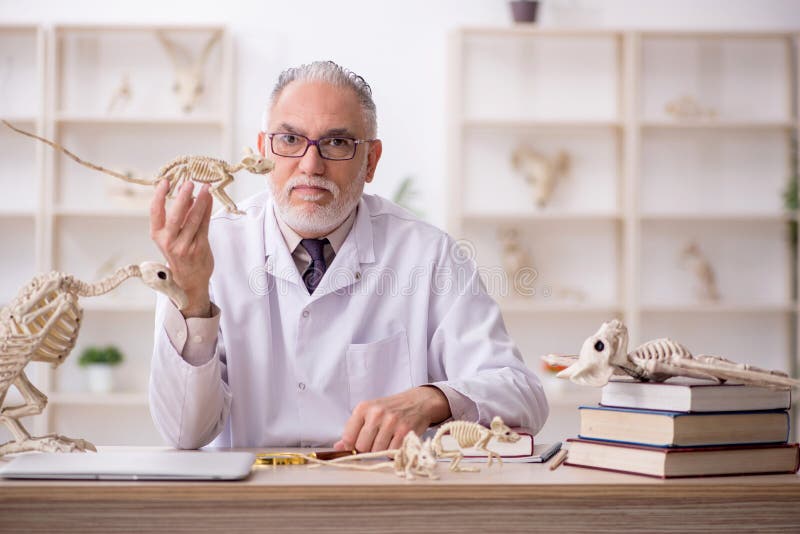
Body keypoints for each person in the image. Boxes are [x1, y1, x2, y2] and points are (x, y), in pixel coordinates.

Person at [148, 61, 548, 452]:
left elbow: (523, 396)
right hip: (252, 506)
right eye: (289, 140)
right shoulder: (207, 251)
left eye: (336, 143)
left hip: (380, 503)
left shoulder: (428, 254)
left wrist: (430, 400)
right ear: (262, 151)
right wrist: (194, 301)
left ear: (370, 161)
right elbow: (185, 433)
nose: (310, 165)